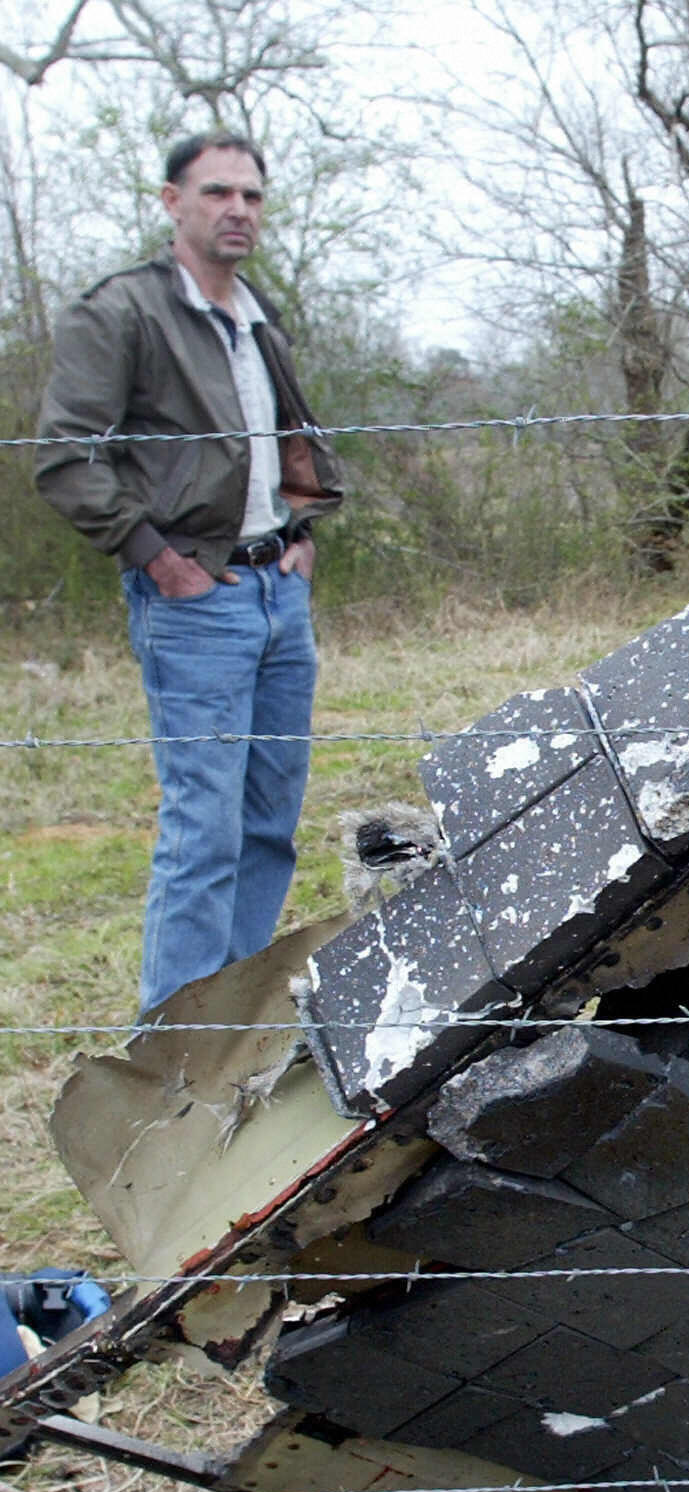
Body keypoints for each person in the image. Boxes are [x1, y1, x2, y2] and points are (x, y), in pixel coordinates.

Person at [35, 132, 343, 1014]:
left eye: (250, 195)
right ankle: (169, 1056)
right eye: (216, 193)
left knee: (268, 825)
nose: (237, 209)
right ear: (173, 202)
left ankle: (233, 1029)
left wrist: (301, 532)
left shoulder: (258, 316)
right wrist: (160, 562)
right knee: (203, 831)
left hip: (278, 593)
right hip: (196, 601)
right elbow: (64, 459)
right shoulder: (124, 311)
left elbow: (282, 444)